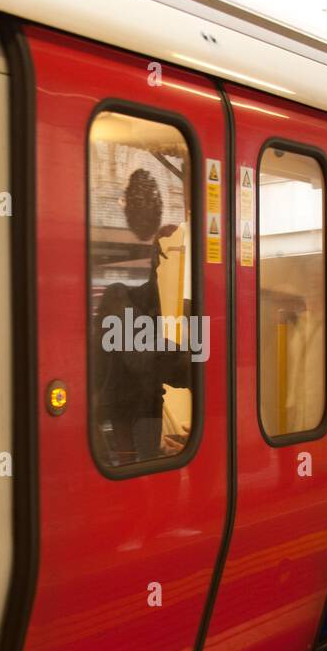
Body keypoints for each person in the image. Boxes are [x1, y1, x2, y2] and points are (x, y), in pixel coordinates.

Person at [92, 167, 191, 465]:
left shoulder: (180, 308)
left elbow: (187, 372)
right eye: (169, 257)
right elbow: (141, 361)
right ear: (156, 261)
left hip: (149, 414)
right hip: (120, 418)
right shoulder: (119, 297)